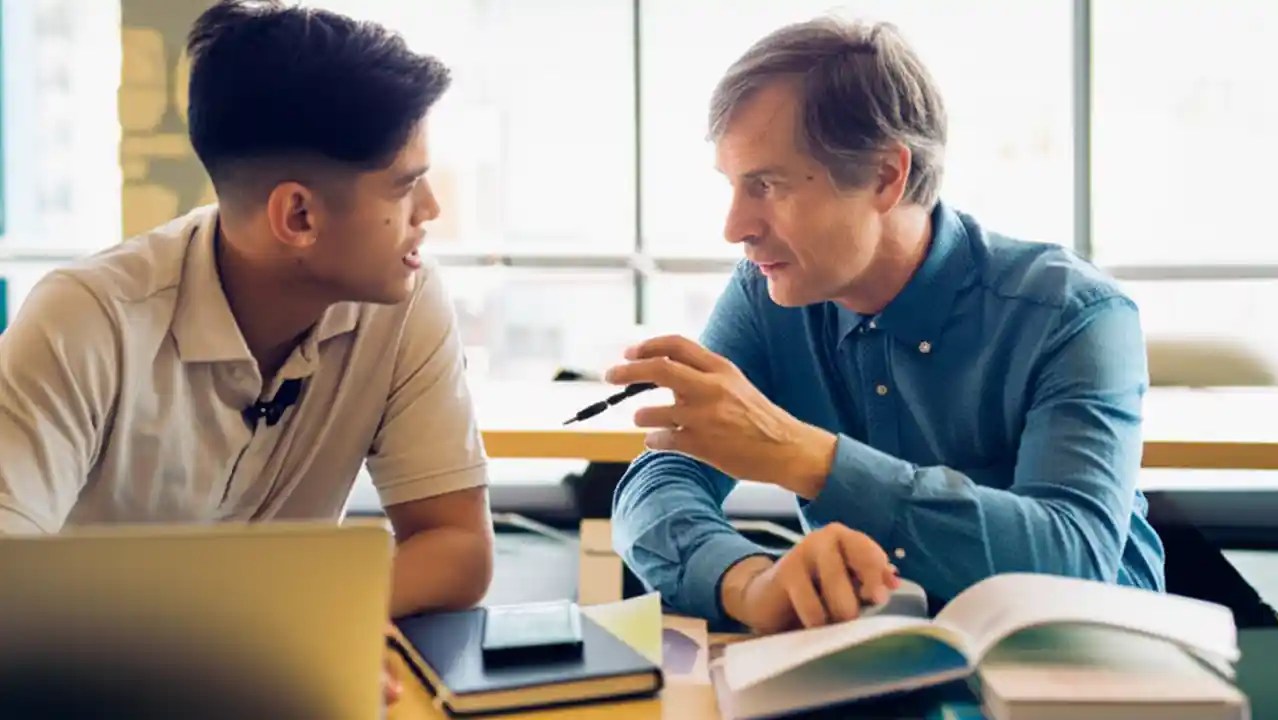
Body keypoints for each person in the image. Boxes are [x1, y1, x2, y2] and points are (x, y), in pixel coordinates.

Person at [0, 0, 492, 703]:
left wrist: (301, 630)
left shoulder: (405, 299)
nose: (431, 211)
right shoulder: (84, 321)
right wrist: (238, 646)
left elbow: (458, 547)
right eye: (406, 186)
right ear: (298, 215)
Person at [607, 17, 1164, 634]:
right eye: (734, 186)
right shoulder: (767, 296)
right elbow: (660, 478)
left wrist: (810, 459)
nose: (735, 226)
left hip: (1084, 661)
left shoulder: (1074, 314)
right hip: (866, 655)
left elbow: (1074, 558)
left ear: (884, 176)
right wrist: (747, 582)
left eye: (767, 185)